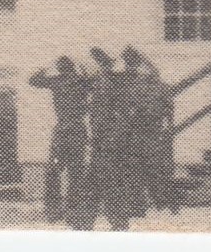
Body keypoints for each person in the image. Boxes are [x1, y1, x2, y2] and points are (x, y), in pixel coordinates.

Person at [75, 47, 141, 231]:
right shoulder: (100, 81)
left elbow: (119, 113)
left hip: (110, 141)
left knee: (107, 183)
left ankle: (114, 224)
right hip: (101, 141)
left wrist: (111, 139)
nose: (86, 68)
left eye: (91, 63)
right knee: (97, 182)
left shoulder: (111, 82)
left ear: (100, 64)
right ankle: (89, 223)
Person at [28, 55, 91, 221]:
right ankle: (73, 211)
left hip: (62, 131)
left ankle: (53, 211)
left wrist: (45, 67)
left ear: (60, 68)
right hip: (76, 131)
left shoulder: (57, 80)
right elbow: (94, 83)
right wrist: (84, 70)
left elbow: (33, 80)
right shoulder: (81, 81)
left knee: (54, 171)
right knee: (75, 172)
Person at [125, 47, 179, 216]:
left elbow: (170, 109)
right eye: (142, 68)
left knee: (156, 171)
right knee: (136, 172)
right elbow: (129, 108)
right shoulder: (135, 87)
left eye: (147, 68)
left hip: (154, 134)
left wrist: (168, 128)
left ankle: (165, 203)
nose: (144, 71)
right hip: (138, 133)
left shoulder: (162, 88)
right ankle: (138, 207)